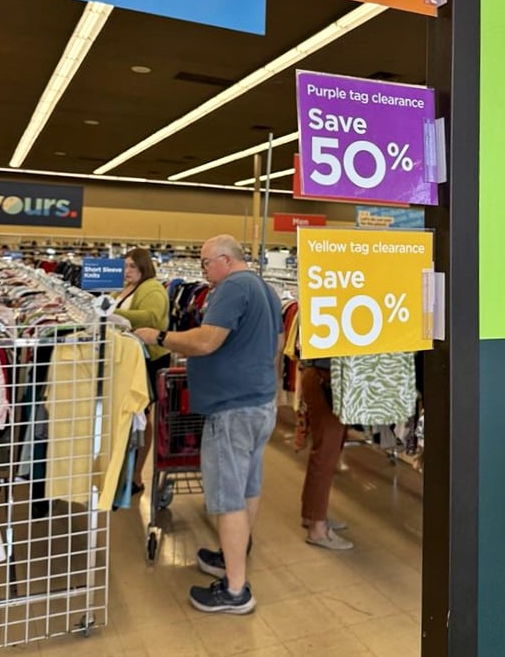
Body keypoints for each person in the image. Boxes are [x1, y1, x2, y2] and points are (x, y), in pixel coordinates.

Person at [136, 234, 283, 615]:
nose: (203, 271)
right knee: (248, 487)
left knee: (228, 497)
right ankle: (230, 556)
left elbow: (206, 341)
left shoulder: (232, 288)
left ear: (225, 259)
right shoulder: (263, 288)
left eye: (204, 263)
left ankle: (235, 591)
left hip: (232, 409)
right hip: (258, 402)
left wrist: (160, 337)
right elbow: (279, 342)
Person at [113, 247, 169, 493]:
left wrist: (112, 313)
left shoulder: (153, 288)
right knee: (134, 414)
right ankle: (125, 471)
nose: (127, 271)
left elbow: (152, 317)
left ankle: (135, 476)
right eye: (125, 266)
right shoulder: (126, 288)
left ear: (144, 267)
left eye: (132, 266)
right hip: (133, 356)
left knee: (142, 416)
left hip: (150, 358)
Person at [299, 358, 353, 549]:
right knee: (325, 454)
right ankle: (317, 528)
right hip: (326, 379)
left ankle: (312, 513)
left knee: (325, 451)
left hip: (323, 377)